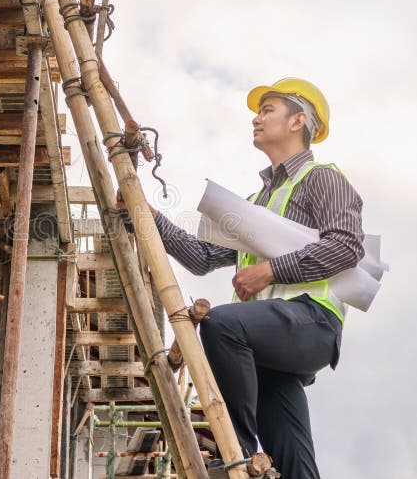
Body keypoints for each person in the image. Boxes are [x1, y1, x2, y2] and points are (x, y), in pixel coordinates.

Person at [121, 78, 365, 478]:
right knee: (295, 461)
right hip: (267, 346)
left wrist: (270, 270)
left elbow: (346, 246)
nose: (256, 117)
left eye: (268, 109)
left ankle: (233, 450)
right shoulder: (256, 204)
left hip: (312, 322)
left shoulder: (322, 179)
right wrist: (147, 216)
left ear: (297, 121)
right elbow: (201, 257)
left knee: (220, 324)